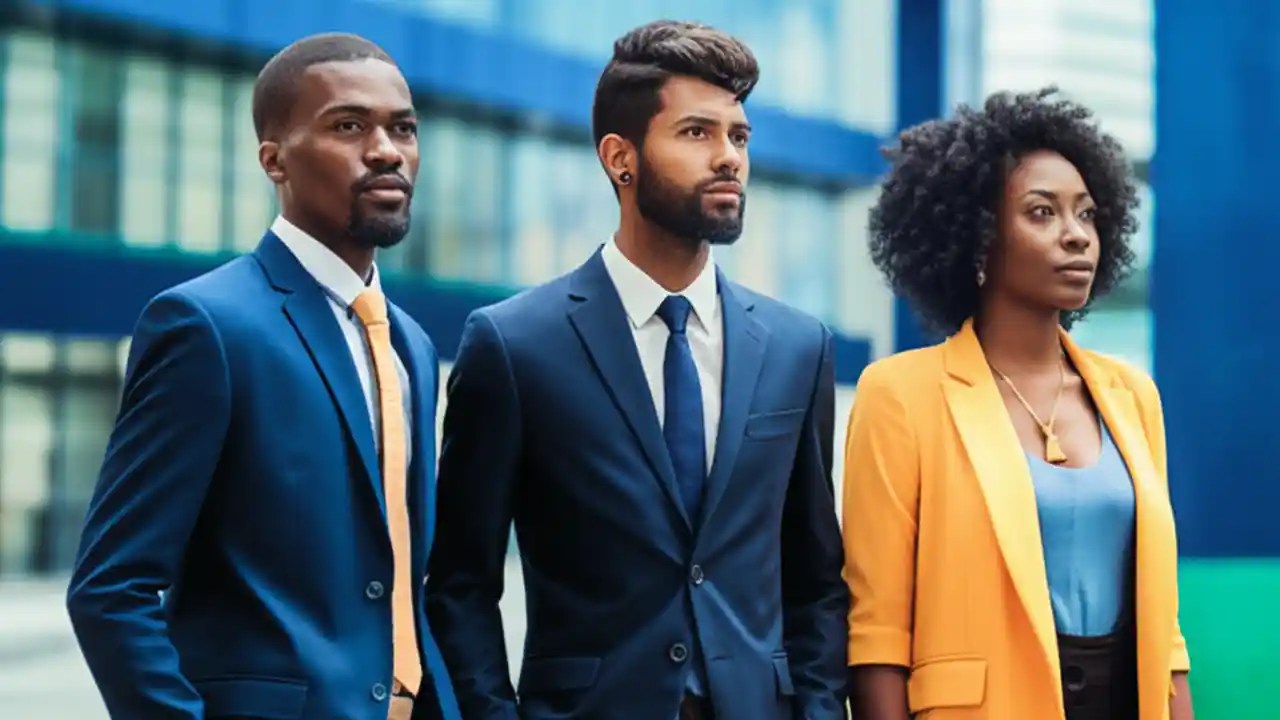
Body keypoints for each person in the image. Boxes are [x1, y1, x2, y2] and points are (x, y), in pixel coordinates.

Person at [425, 19, 848, 720]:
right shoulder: (513, 345)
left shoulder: (799, 347)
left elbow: (815, 581)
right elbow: (461, 584)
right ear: (621, 157)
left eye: (738, 137)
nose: (728, 158)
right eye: (696, 133)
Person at [65, 33, 460, 720]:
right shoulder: (206, 326)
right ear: (274, 160)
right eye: (348, 125)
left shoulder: (413, 346)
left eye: (403, 128)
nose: (386, 150)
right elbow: (111, 587)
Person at [841, 87, 1193, 720]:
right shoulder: (900, 395)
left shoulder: (1133, 396)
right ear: (976, 240)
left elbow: (1164, 633)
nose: (1076, 236)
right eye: (1042, 213)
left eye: (1086, 215)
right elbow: (877, 637)